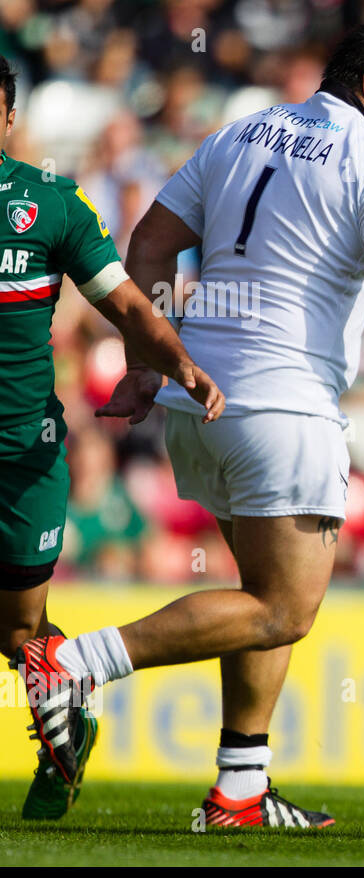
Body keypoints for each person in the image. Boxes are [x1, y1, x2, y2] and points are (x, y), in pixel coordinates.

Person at [16, 21, 364, 829]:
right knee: (286, 609)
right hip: (286, 405)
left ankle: (240, 787)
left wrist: (150, 362)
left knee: (262, 594)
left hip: (200, 401)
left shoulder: (236, 131)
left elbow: (148, 243)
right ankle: (75, 664)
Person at [0, 54, 225, 820]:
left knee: (20, 632)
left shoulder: (50, 206)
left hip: (22, 458)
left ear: (8, 121)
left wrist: (178, 365)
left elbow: (128, 306)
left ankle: (62, 725)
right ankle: (58, 720)